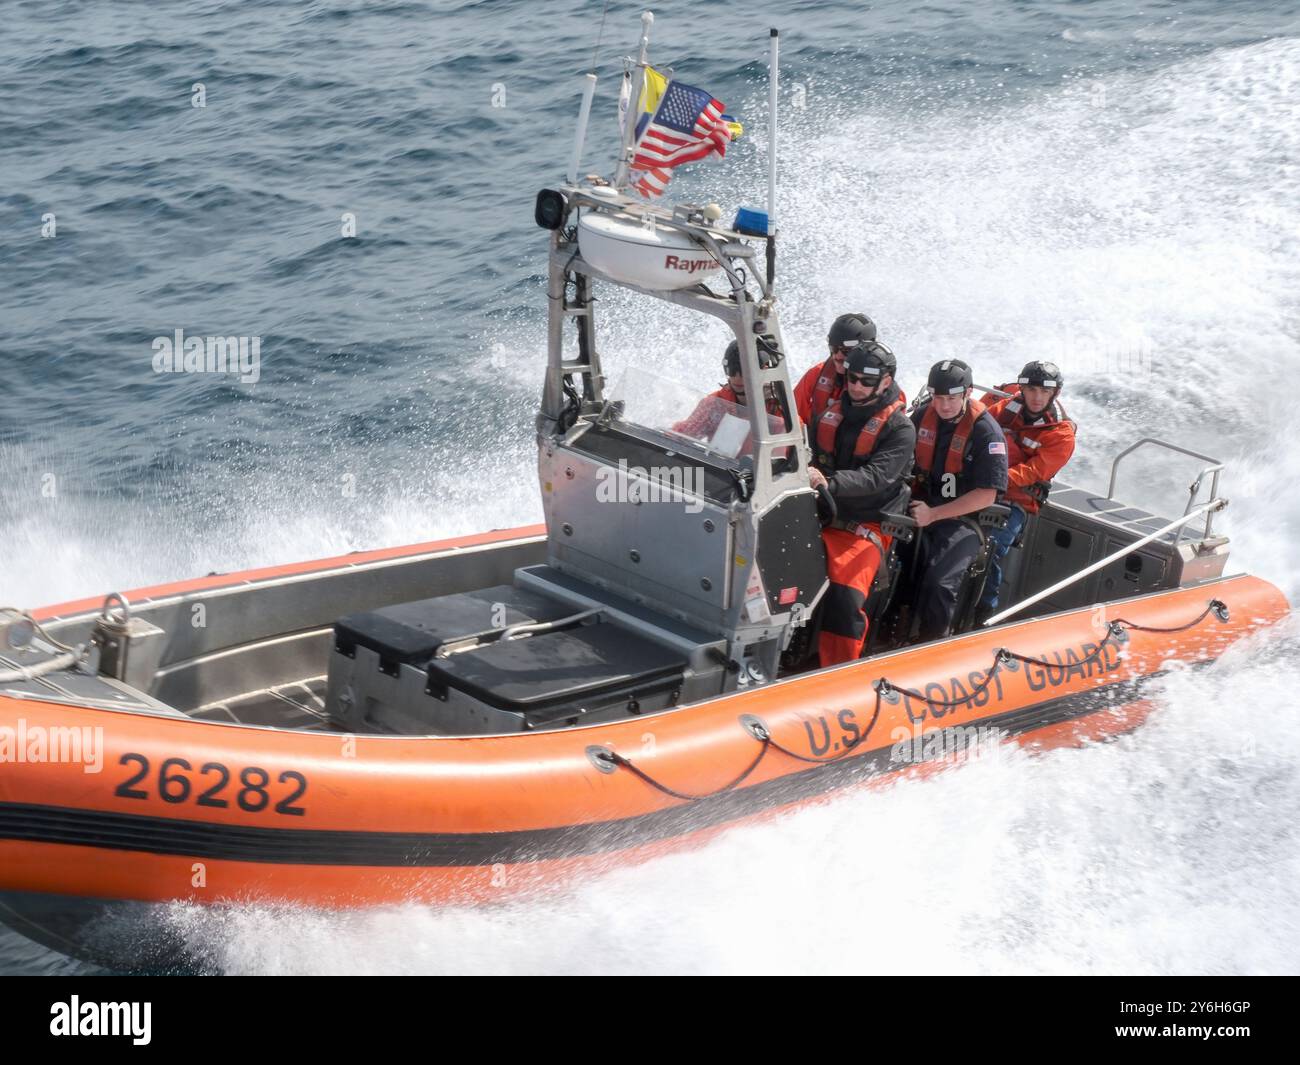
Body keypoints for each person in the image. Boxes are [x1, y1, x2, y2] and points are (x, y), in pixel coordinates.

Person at [807, 342, 915, 665]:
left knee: (844, 593)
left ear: (886, 381)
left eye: (866, 381)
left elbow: (876, 477)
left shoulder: (901, 429)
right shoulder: (831, 413)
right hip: (819, 513)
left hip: (866, 526)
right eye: (852, 378)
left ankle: (837, 674)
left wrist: (829, 482)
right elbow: (807, 451)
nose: (856, 386)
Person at [906, 359, 1008, 642]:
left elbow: (988, 493)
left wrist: (934, 514)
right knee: (891, 566)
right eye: (938, 398)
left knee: (939, 583)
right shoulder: (921, 416)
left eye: (951, 398)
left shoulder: (986, 432)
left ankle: (933, 644)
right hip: (919, 509)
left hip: (964, 520)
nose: (944, 405)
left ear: (968, 393)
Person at [975, 360, 1076, 622]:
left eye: (1044, 392)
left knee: (991, 547)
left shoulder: (1061, 434)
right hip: (978, 487)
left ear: (1055, 393)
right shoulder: (1005, 408)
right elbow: (978, 429)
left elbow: (1030, 473)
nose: (1036, 397)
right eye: (1031, 390)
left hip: (1013, 501)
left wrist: (987, 479)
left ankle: (982, 613)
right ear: (1022, 389)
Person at [793, 313, 877, 425]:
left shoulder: (882, 386)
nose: (837, 356)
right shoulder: (816, 374)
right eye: (834, 348)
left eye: (846, 351)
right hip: (813, 439)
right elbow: (790, 413)